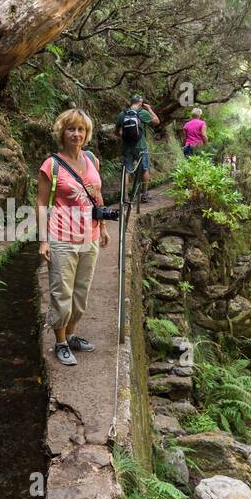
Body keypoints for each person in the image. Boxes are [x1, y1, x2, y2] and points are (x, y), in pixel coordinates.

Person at [37, 108, 109, 366]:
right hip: (62, 237)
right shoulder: (52, 165)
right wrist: (44, 240)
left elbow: (97, 196)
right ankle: (60, 342)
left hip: (88, 237)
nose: (76, 134)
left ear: (86, 134)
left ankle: (72, 334)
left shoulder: (92, 160)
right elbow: (42, 203)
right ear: (62, 132)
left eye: (81, 129)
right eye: (71, 129)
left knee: (81, 293)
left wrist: (102, 228)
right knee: (61, 293)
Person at [115, 94, 160, 202]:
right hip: (141, 146)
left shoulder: (122, 114)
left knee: (126, 170)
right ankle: (144, 195)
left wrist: (126, 136)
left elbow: (117, 132)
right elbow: (157, 121)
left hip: (127, 147)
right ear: (140, 103)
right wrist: (149, 109)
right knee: (145, 169)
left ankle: (125, 197)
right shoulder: (142, 113)